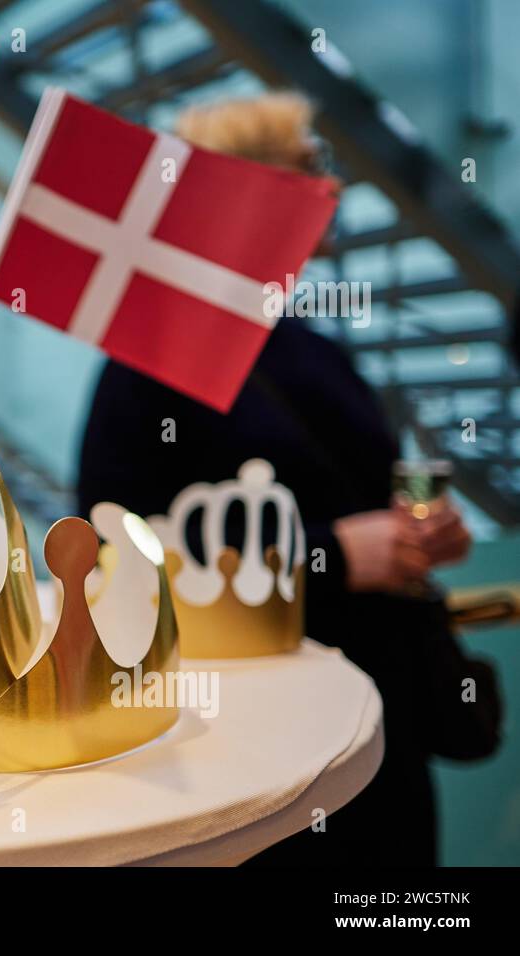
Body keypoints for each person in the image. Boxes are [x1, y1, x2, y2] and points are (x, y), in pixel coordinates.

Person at [76, 93, 502, 865]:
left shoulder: (313, 346)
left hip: (380, 703)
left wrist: (418, 532)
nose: (328, 192)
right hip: (256, 724)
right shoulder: (152, 357)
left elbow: (361, 495)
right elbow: (110, 542)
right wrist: (334, 554)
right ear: (230, 201)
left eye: (323, 169)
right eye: (302, 172)